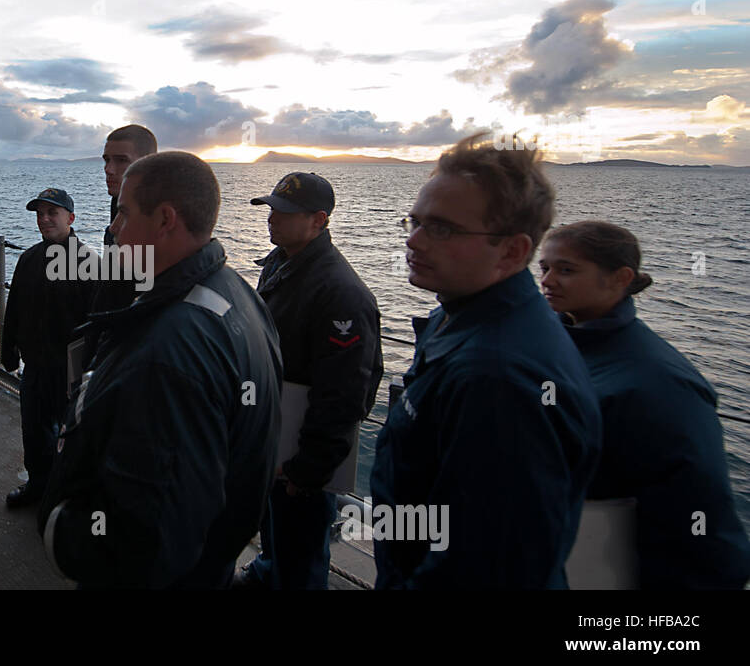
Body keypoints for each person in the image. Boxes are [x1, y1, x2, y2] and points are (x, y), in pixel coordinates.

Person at [37, 151, 283, 589]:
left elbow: (147, 541)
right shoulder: (238, 295)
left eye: (124, 215)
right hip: (211, 562)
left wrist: (62, 532)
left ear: (166, 219)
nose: (113, 229)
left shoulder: (169, 350)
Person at [370, 132, 601, 589]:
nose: (413, 241)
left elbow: (485, 568)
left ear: (512, 251)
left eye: (441, 228)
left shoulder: (500, 377)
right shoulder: (457, 319)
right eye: (413, 222)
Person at [540, 221, 750, 588]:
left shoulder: (661, 384)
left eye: (566, 270)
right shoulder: (550, 345)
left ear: (620, 278)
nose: (547, 280)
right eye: (544, 268)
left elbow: (701, 516)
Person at [235, 172, 383, 590]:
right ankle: (267, 572)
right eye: (270, 209)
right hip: (277, 436)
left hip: (301, 453)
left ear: (319, 220)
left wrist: (310, 469)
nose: (272, 218)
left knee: (302, 552)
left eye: (284, 212)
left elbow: (346, 392)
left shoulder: (340, 292)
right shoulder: (282, 266)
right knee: (278, 533)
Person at [0, 188, 96, 508]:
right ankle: (38, 486)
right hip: (36, 367)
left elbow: (96, 325)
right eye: (39, 214)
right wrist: (8, 350)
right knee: (34, 431)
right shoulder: (29, 259)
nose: (44, 219)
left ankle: (66, 498)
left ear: (70, 218)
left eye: (51, 213)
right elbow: (13, 308)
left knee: (70, 438)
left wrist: (88, 373)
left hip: (71, 373)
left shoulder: (89, 263)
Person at [93, 125, 156, 312]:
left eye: (121, 160)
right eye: (106, 160)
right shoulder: (117, 212)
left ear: (147, 163)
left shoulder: (156, 227)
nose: (109, 169)